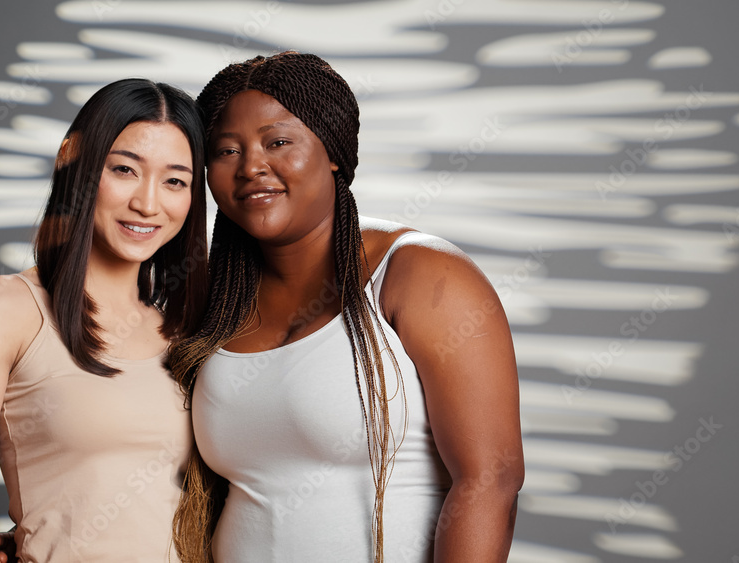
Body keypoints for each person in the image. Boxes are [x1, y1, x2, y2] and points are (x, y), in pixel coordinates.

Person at [168, 52, 524, 562]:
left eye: (278, 142)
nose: (251, 167)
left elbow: (491, 480)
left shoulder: (418, 275)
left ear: (332, 151)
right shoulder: (216, 301)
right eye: (226, 150)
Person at [0, 78, 209, 562]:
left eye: (175, 181)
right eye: (124, 169)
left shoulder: (183, 333)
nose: (148, 202)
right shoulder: (3, 310)